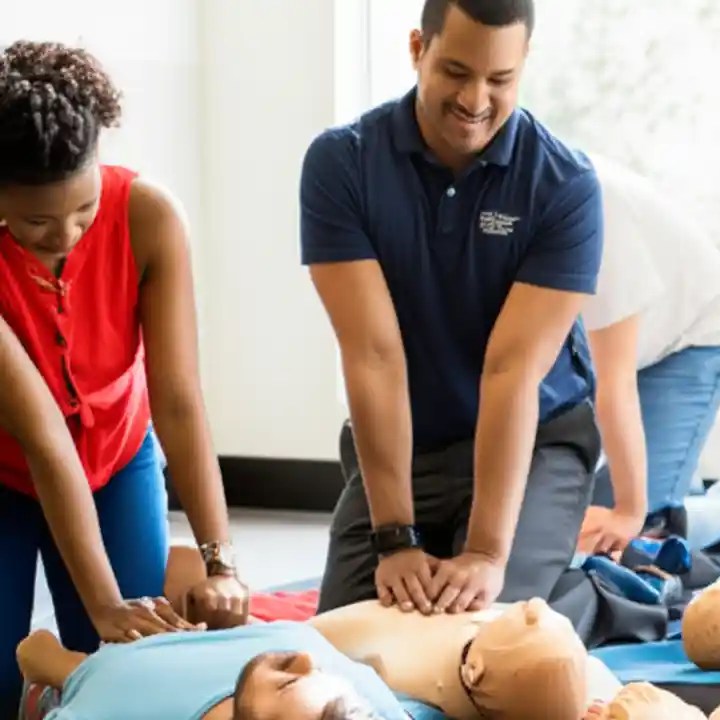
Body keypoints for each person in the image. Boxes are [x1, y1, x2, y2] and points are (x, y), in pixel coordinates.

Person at [301, 0, 604, 619]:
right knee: (349, 632)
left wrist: (488, 554)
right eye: (456, 72)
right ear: (418, 49)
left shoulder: (565, 186)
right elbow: (373, 355)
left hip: (538, 437)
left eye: (500, 80)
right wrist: (395, 539)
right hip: (412, 440)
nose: (475, 101)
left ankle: (598, 595)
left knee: (489, 627)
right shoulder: (341, 165)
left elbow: (511, 371)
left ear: (524, 67)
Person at [0, 40, 246, 712]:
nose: (67, 235)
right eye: (36, 221)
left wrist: (220, 558)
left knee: (131, 669)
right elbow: (45, 438)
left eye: (82, 210)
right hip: (8, 470)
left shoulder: (148, 215)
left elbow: (178, 397)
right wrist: (103, 601)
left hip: (116, 459)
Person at [17, 548, 668, 720]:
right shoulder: (371, 703)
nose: (300, 662)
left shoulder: (116, 692)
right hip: (246, 625)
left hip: (102, 666)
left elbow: (34, 652)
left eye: (284, 681)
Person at [576, 155, 720, 555]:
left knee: (628, 539)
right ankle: (678, 477)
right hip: (631, 347)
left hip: (692, 334)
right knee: (570, 517)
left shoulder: (590, 203)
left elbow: (613, 385)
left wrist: (631, 510)